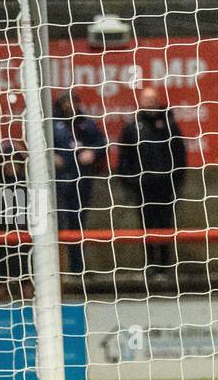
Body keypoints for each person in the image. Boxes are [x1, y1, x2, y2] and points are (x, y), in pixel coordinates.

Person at [115, 85, 188, 288]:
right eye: (145, 99)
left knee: (165, 225)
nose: (148, 103)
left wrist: (175, 181)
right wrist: (131, 180)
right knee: (147, 226)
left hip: (165, 187)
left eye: (151, 99)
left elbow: (180, 155)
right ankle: (151, 265)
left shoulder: (169, 125)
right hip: (143, 187)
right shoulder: (132, 127)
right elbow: (124, 157)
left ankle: (165, 266)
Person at [53, 91, 108, 278]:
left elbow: (102, 142)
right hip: (58, 182)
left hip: (82, 180)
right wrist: (49, 156)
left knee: (78, 224)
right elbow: (35, 144)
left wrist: (92, 152)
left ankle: (78, 267)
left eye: (72, 102)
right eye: (66, 102)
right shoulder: (51, 124)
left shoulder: (85, 123)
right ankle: (58, 269)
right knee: (59, 224)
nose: (69, 106)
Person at [0, 143, 32, 303]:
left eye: (13, 162)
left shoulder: (30, 185)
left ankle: (32, 319)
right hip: (0, 245)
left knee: (27, 286)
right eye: (6, 162)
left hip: (24, 244)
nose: (10, 166)